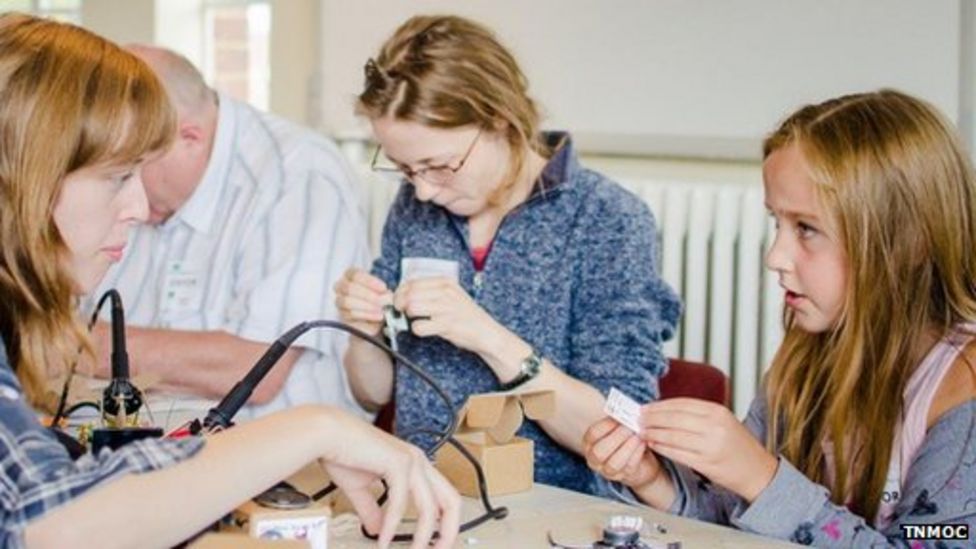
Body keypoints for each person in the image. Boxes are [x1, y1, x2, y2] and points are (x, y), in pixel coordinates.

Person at [0, 13, 459, 548]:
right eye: (119, 176)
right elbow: (49, 521)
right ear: (25, 176)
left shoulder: (296, 173)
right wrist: (319, 430)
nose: (139, 206)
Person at [583, 90, 976, 545]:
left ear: (908, 242)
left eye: (806, 229)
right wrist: (653, 479)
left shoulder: (962, 388)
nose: (775, 257)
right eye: (777, 223)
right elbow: (741, 515)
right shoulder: (806, 358)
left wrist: (763, 478)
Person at [334, 14, 681, 495]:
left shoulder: (607, 219)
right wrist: (362, 331)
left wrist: (488, 337)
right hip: (421, 496)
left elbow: (617, 434)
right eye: (403, 168)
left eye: (439, 165)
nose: (424, 191)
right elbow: (372, 392)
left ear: (501, 119)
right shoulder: (415, 206)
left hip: (555, 509)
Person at [88, 45, 370, 422]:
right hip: (145, 449)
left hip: (286, 469)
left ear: (190, 137)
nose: (131, 199)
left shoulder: (300, 174)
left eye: (134, 167)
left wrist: (75, 345)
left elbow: (257, 367)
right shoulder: (150, 192)